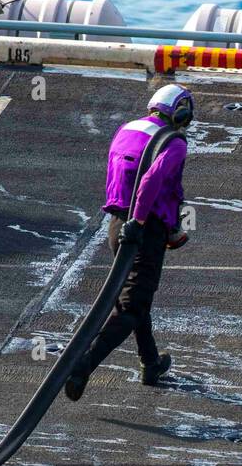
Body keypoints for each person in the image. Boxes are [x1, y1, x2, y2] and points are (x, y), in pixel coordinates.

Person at [64, 84, 193, 401]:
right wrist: (140, 221)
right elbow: (150, 179)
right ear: (180, 112)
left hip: (115, 225)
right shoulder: (174, 143)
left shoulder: (127, 129)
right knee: (131, 307)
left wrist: (125, 220)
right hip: (143, 229)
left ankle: (151, 364)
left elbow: (116, 171)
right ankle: (84, 364)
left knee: (135, 298)